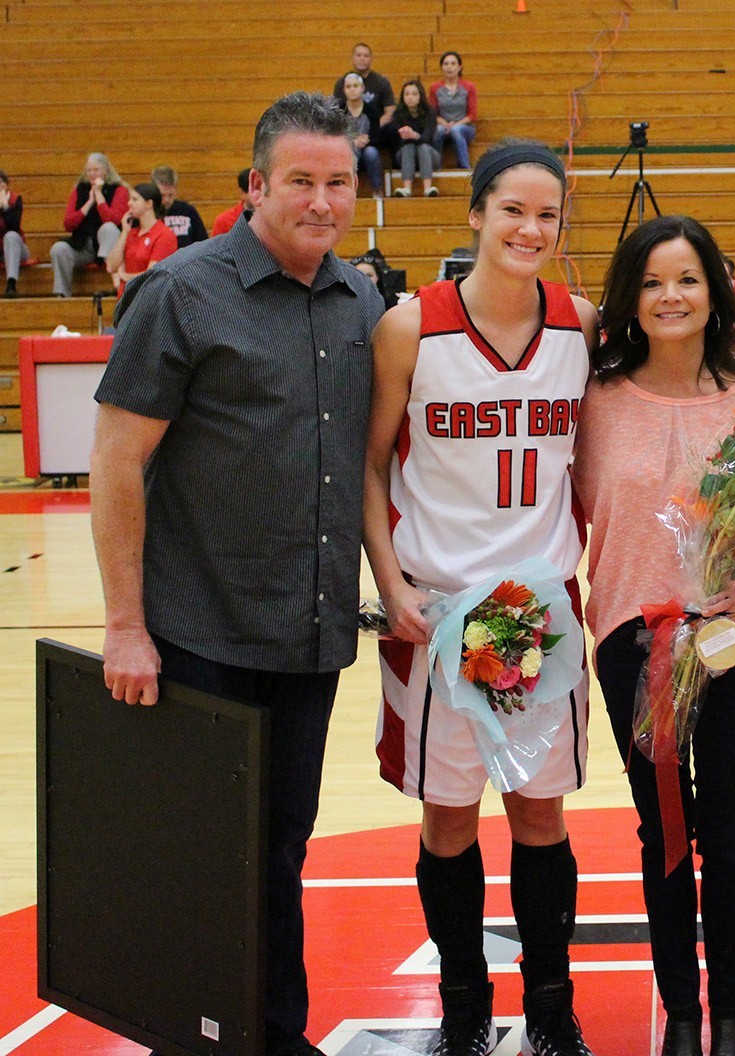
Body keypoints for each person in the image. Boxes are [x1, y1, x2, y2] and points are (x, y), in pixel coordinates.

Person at [88, 90, 386, 1056]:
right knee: (204, 857)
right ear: (256, 185)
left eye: (338, 182)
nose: (322, 201)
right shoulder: (180, 291)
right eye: (300, 180)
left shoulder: (362, 301)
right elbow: (116, 462)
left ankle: (274, 1033)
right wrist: (126, 624)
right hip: (193, 632)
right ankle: (197, 1034)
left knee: (281, 850)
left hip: (306, 635)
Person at [363, 140, 600, 1056]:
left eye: (548, 214)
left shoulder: (581, 324)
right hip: (435, 608)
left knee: (540, 814)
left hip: (536, 613)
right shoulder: (408, 327)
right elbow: (371, 462)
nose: (531, 229)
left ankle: (550, 1011)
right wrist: (387, 584)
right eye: (513, 211)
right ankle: (464, 1011)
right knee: (447, 816)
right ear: (477, 215)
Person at [573, 214, 735, 1056]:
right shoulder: (595, 401)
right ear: (629, 301)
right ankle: (679, 1013)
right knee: (660, 828)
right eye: (651, 282)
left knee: (731, 829)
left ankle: (732, 1013)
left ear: (714, 290)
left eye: (686, 279)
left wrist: (734, 599)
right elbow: (560, 512)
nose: (671, 296)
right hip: (630, 640)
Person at [49, 151, 127, 297]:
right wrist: (89, 203)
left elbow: (114, 220)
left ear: (106, 171)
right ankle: (62, 294)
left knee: (108, 228)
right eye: (89, 170)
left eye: (96, 170)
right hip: (82, 246)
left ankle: (117, 284)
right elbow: (68, 224)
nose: (92, 174)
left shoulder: (119, 190)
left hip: (108, 247)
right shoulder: (79, 190)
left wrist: (99, 198)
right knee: (58, 249)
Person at [104, 182, 177, 296]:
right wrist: (124, 232)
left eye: (134, 199)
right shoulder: (131, 233)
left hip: (148, 300)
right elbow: (111, 267)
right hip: (126, 299)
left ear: (148, 204)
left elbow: (153, 275)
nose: (129, 203)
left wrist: (125, 276)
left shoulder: (164, 235)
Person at [332, 42, 394, 137]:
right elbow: (335, 112)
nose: (362, 58)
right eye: (358, 55)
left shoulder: (381, 82)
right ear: (352, 58)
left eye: (366, 56)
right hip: (349, 131)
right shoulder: (342, 82)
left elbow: (390, 111)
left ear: (371, 59)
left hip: (376, 130)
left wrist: (374, 127)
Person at [392, 79, 441, 197]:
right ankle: (407, 188)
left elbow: (428, 137)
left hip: (429, 154)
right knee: (409, 147)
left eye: (414, 94)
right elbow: (396, 141)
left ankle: (428, 188)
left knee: (422, 146)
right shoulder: (398, 113)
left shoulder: (430, 112)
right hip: (406, 155)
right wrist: (404, 135)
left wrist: (414, 135)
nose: (410, 97)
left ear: (420, 96)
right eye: (407, 94)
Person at [431, 51, 479, 170]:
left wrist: (455, 125)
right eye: (446, 64)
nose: (449, 67)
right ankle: (436, 166)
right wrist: (445, 124)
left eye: (453, 63)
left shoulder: (469, 87)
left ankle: (464, 167)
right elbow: (432, 113)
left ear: (459, 67)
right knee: (437, 130)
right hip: (443, 124)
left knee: (457, 130)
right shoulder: (435, 88)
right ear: (441, 67)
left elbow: (472, 115)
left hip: (464, 126)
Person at [338, 73, 384, 196]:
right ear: (344, 90)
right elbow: (335, 136)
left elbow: (376, 136)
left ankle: (377, 191)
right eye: (348, 87)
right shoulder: (339, 111)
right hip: (347, 149)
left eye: (355, 86)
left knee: (371, 153)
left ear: (362, 88)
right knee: (353, 153)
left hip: (368, 147)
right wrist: (352, 142)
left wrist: (365, 140)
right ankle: (348, 192)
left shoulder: (372, 110)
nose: (352, 89)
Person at [151, 165, 208, 248]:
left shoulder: (188, 211)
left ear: (175, 188)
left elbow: (202, 243)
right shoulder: (147, 211)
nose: (167, 200)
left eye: (170, 195)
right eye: (162, 195)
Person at [0, 172, 27, 298]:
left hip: (17, 248)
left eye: (1, 183)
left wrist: (5, 207)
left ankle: (11, 284)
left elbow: (14, 226)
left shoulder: (15, 199)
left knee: (10, 236)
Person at [211, 168, 253, 237]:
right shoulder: (223, 221)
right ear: (242, 193)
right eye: (253, 192)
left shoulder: (270, 217)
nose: (259, 196)